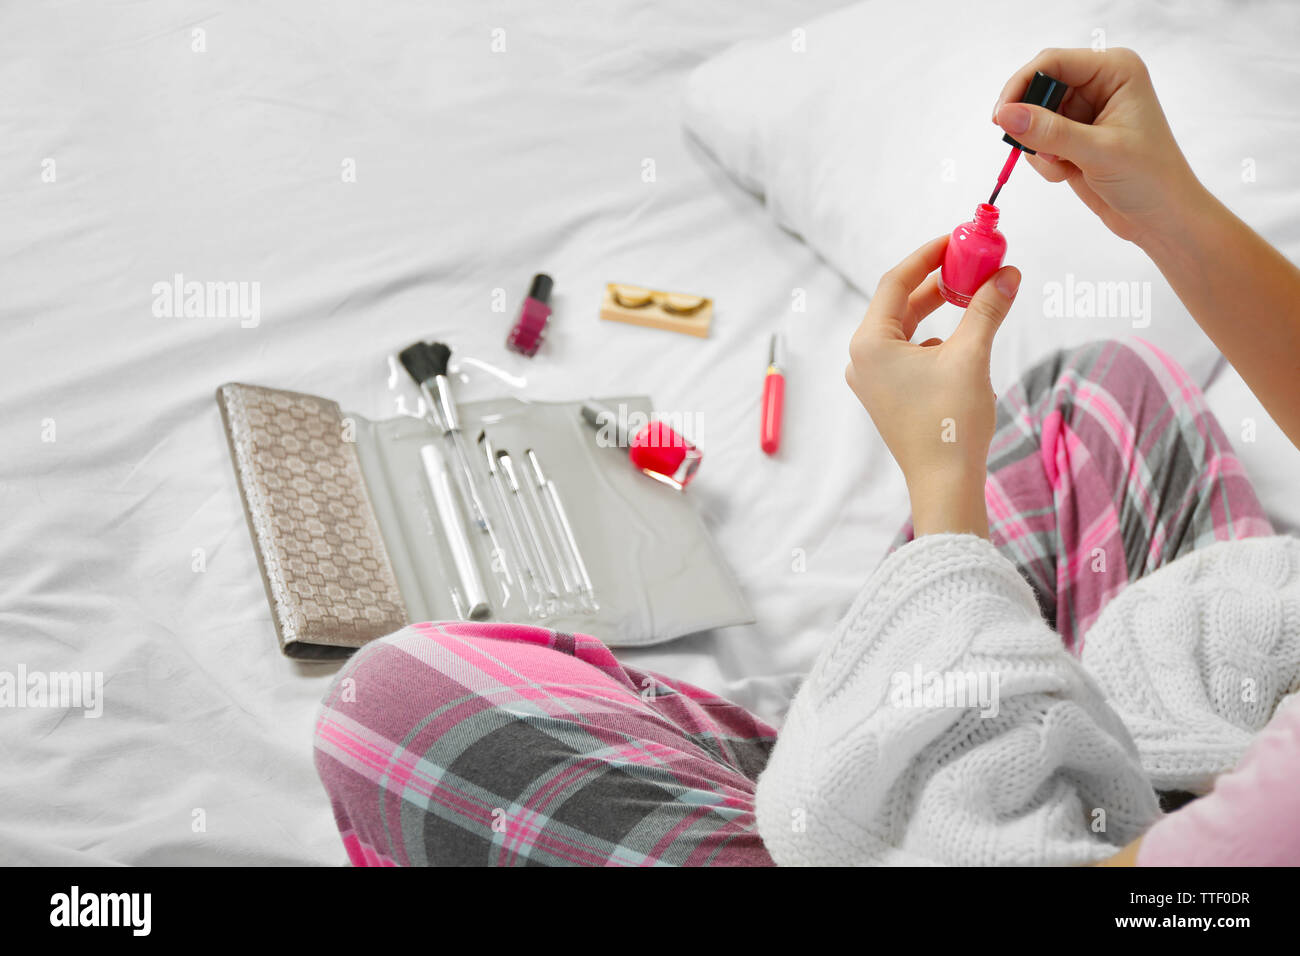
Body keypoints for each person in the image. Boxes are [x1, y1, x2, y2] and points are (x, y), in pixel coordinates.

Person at [313, 48, 1300, 866]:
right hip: (1216, 716)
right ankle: (884, 713)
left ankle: (860, 757)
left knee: (389, 705)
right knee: (1098, 389)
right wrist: (1163, 207)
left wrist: (943, 487)